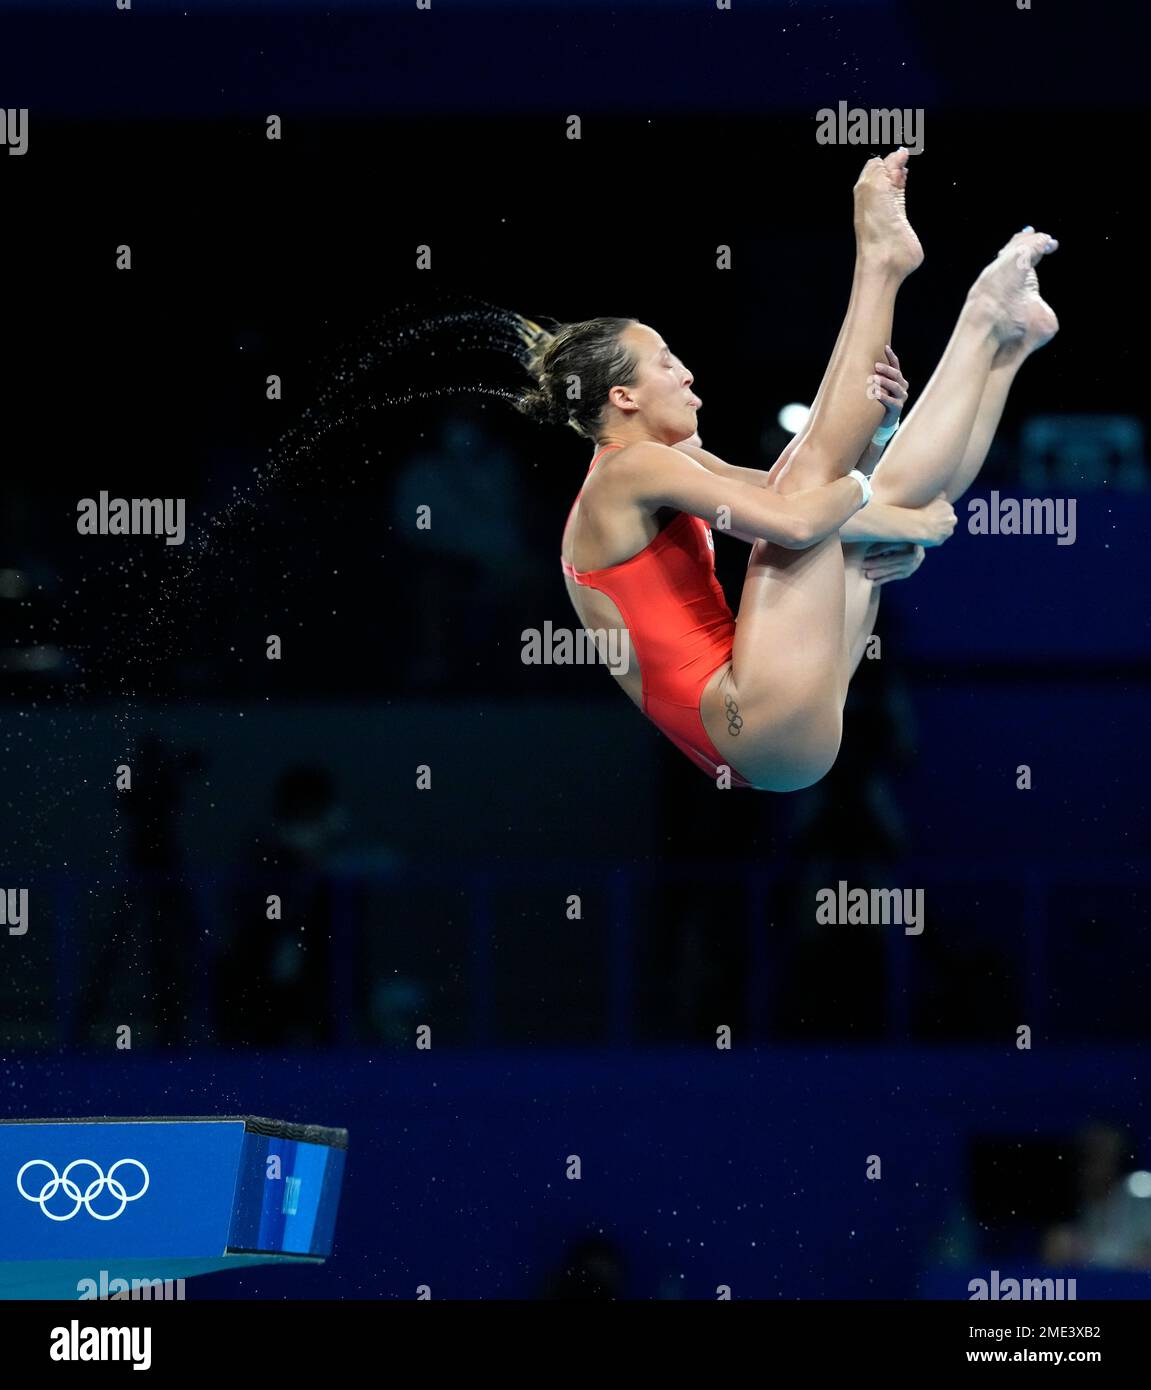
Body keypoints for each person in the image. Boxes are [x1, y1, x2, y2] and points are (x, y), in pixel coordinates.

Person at [516, 149, 1058, 791]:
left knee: (838, 499)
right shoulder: (621, 473)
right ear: (622, 398)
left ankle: (996, 333)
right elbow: (797, 519)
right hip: (751, 721)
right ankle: (880, 262)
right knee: (812, 500)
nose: (687, 373)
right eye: (664, 362)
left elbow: (804, 503)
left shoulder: (662, 465)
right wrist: (890, 509)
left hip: (777, 725)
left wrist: (885, 472)